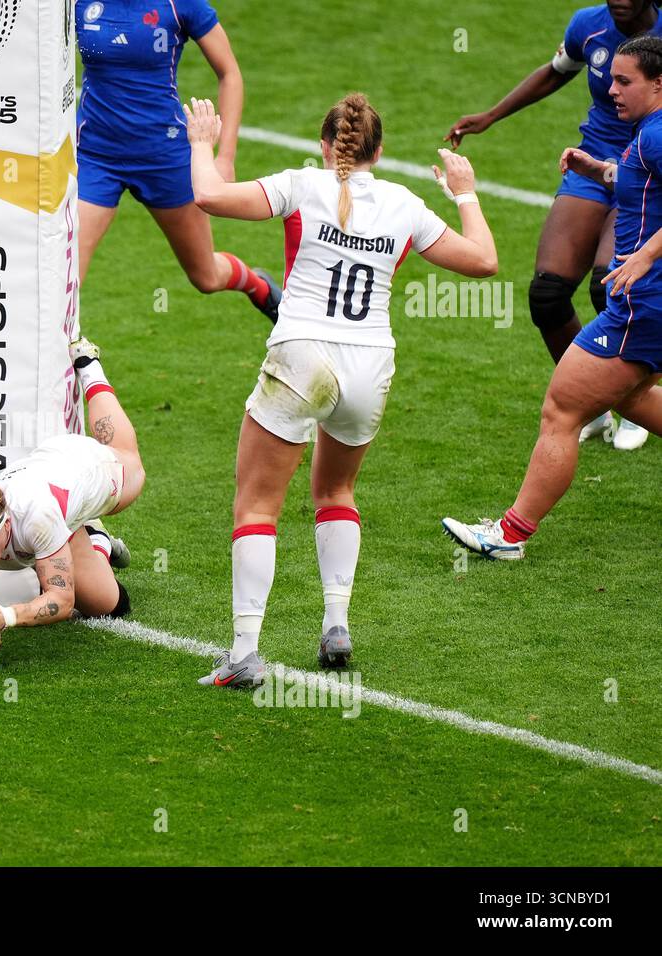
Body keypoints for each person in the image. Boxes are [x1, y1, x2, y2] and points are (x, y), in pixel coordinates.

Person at [183, 93, 498, 687]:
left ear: (326, 146)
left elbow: (209, 197)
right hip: (370, 365)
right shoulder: (405, 204)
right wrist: (464, 191)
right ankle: (336, 622)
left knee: (256, 506)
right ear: (378, 152)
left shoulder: (302, 184)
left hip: (302, 353)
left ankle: (245, 654)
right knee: (336, 489)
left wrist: (202, 140)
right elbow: (484, 260)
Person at [446, 37, 662, 561]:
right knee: (624, 395)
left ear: (659, 83)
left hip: (642, 305)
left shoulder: (658, 134)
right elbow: (640, 181)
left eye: (624, 81)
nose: (610, 89)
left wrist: (645, 256)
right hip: (644, 305)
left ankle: (510, 535)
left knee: (562, 408)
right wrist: (598, 171)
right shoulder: (646, 134)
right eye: (611, 79)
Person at [0, 338, 143, 663]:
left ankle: (89, 365)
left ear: (7, 521)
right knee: (110, 606)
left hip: (85, 467)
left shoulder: (36, 515)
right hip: (52, 499)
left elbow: (61, 602)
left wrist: (5, 616)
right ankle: (96, 540)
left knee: (129, 459)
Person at [75, 0, 281, 319]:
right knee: (67, 275)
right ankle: (69, 362)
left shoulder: (180, 4)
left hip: (165, 157)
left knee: (206, 277)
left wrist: (224, 157)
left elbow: (230, 74)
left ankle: (258, 286)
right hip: (95, 156)